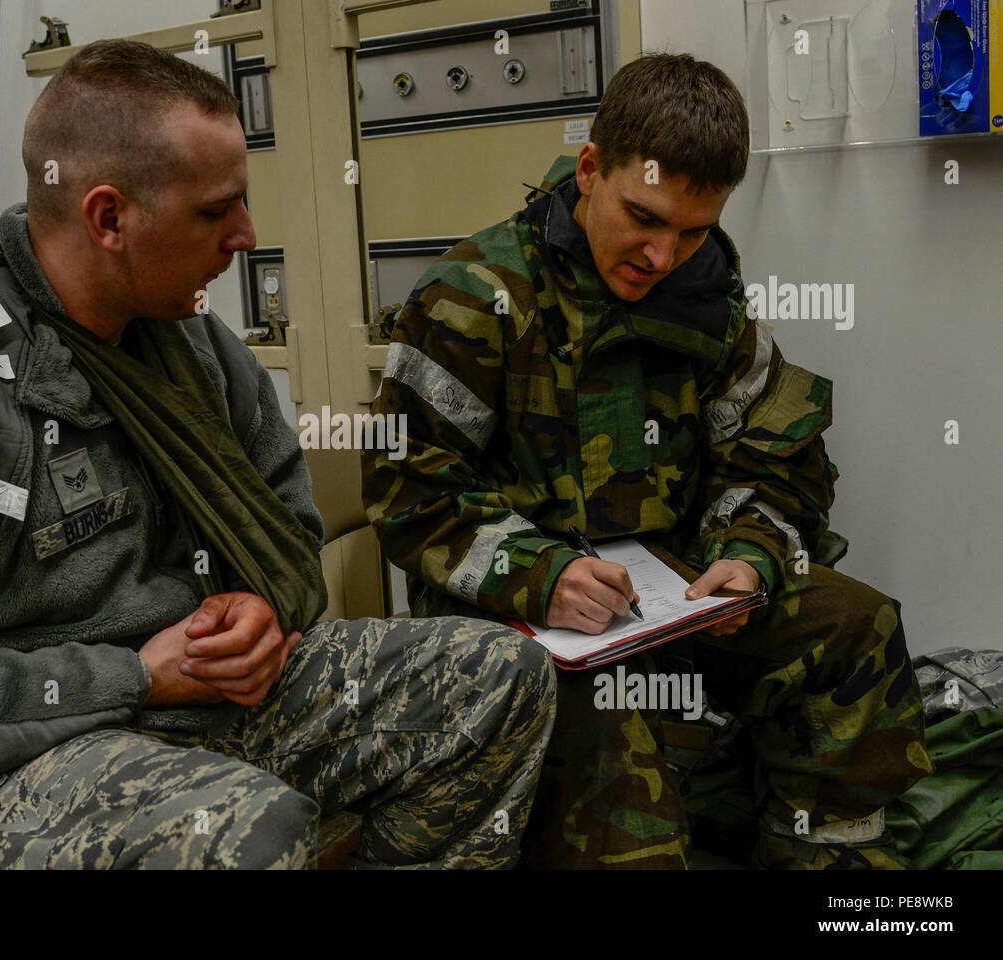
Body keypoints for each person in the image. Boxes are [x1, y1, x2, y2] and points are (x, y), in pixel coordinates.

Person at [0, 39, 555, 869]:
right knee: (241, 835)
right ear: (107, 217)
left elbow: (281, 526)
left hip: (194, 702)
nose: (246, 235)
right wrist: (127, 677)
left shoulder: (190, 348)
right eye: (214, 210)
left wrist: (258, 612)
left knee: (499, 677)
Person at [363, 53, 931, 869]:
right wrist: (540, 572)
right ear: (590, 169)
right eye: (643, 218)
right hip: (523, 618)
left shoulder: (708, 300)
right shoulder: (474, 296)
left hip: (679, 590)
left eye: (692, 230)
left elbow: (779, 462)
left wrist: (749, 557)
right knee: (613, 719)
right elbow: (406, 490)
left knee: (857, 626)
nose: (662, 256)